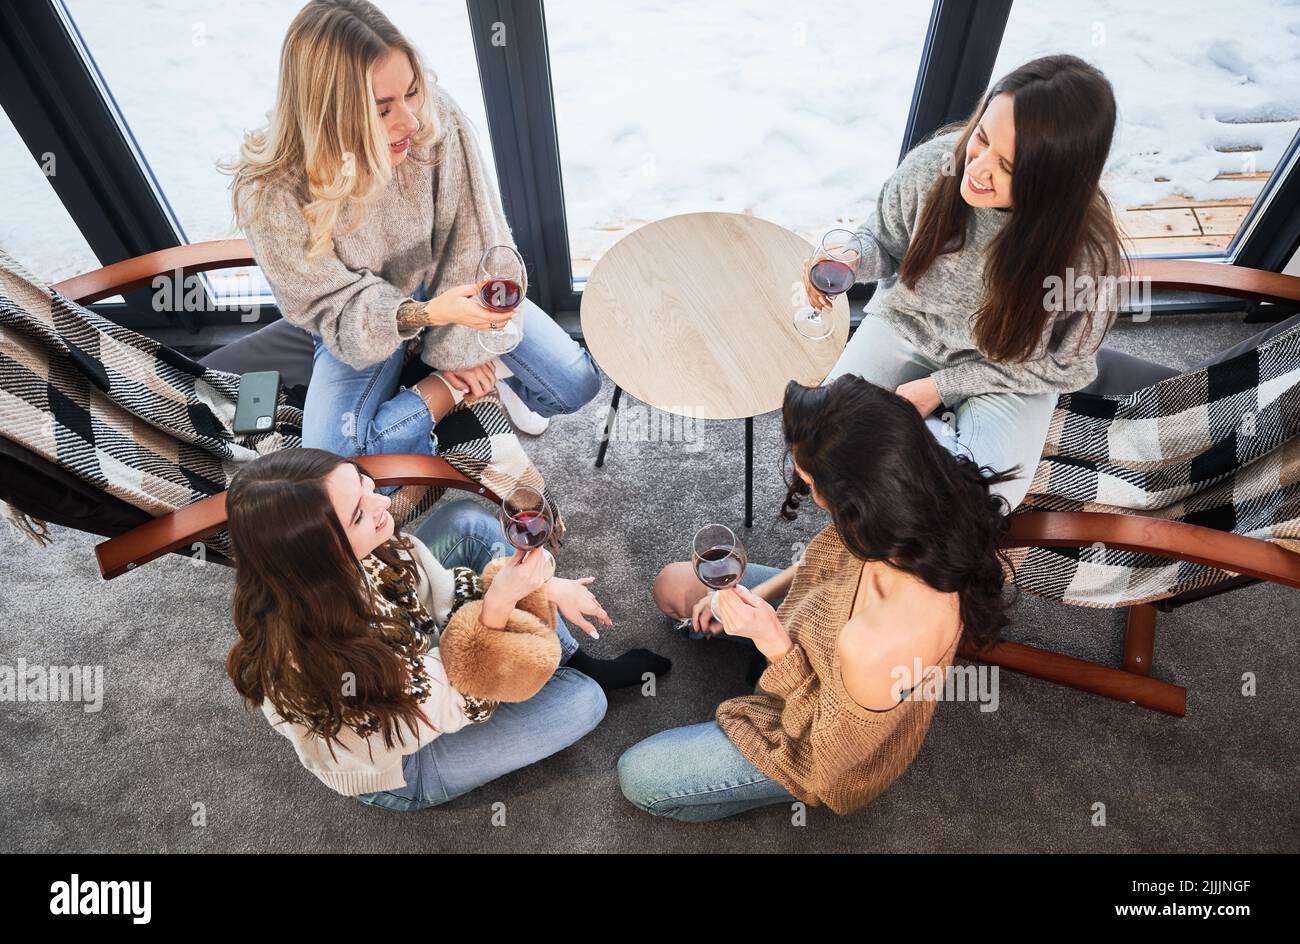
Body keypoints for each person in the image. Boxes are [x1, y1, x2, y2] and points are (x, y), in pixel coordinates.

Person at [618, 376, 1015, 822]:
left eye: (808, 482)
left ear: (852, 501)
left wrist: (772, 643)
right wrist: (761, 596)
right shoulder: (907, 500)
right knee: (671, 584)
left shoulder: (879, 639)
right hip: (809, 628)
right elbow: (822, 567)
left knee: (638, 777)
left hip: (820, 744)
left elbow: (827, 754)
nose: (806, 491)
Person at [224, 0, 600, 458]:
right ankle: (439, 389)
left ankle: (491, 383)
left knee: (576, 384)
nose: (412, 121)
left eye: (412, 91)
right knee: (336, 461)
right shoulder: (271, 192)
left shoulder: (433, 119)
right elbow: (328, 306)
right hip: (360, 322)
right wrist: (444, 372)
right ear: (329, 114)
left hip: (453, 289)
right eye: (382, 110)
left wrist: (466, 345)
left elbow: (476, 238)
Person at [225, 448, 668, 810]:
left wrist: (538, 585)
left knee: (466, 522)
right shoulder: (324, 667)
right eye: (359, 514)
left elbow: (440, 590)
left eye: (364, 482)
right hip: (403, 758)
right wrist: (500, 603)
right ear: (319, 556)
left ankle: (575, 660)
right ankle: (564, 669)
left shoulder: (339, 562)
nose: (384, 502)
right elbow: (462, 696)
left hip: (416, 658)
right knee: (583, 701)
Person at [809, 54, 1128, 510]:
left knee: (979, 501)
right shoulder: (933, 168)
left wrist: (941, 388)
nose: (976, 169)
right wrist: (851, 258)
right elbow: (883, 242)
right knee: (825, 450)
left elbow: (1067, 366)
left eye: (1008, 166)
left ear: (1054, 183)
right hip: (906, 328)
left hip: (1009, 370)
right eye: (981, 137)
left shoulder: (1087, 256)